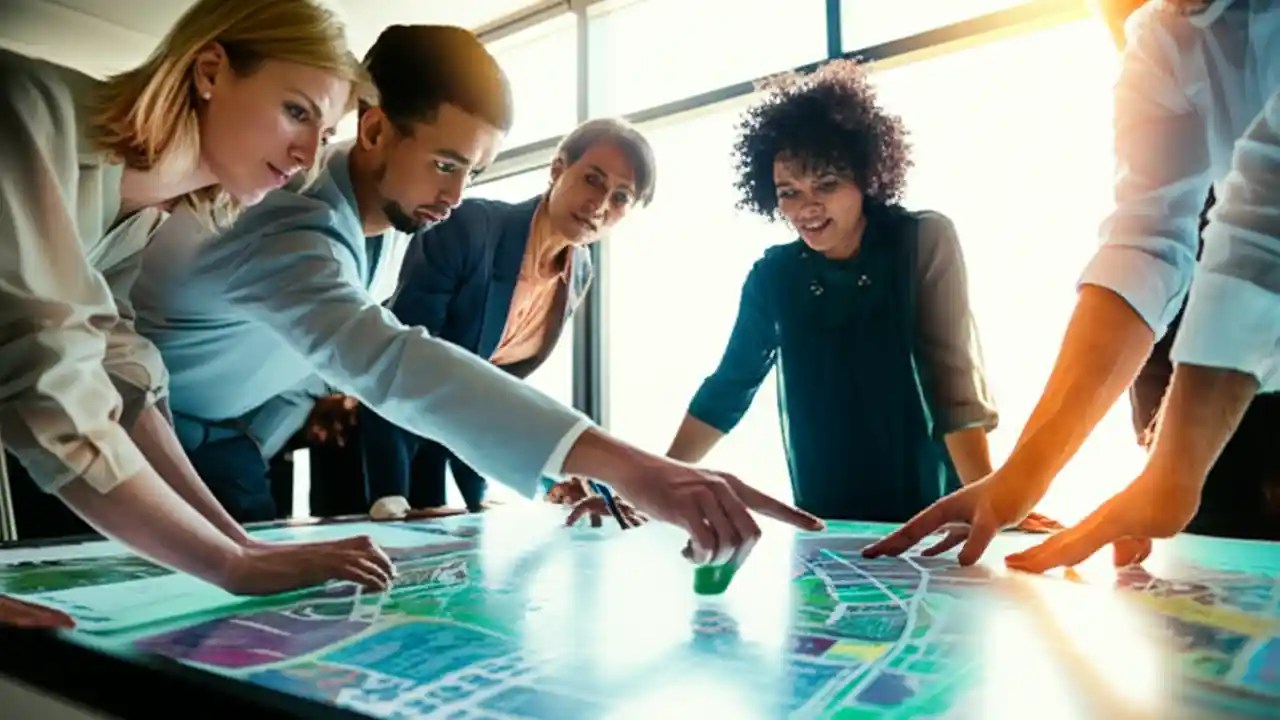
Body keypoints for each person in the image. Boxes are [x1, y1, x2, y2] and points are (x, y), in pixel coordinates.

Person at [133, 24, 824, 568]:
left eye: (473, 170)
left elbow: (343, 352)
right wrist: (636, 469)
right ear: (373, 129)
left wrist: (552, 471)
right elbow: (393, 360)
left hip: (239, 440)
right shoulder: (291, 212)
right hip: (133, 429)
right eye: (445, 162)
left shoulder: (396, 210)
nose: (457, 194)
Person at [864, 0, 1280, 569]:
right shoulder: (1162, 34)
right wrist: (1021, 475)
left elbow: (1266, 218)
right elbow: (1145, 247)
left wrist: (1175, 468)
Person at [0, 0, 397, 594]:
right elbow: (48, 380)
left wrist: (239, 541)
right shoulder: (25, 109)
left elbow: (122, 371)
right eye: (296, 112)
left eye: (324, 134)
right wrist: (230, 565)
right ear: (210, 70)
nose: (308, 158)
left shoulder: (141, 215)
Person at [660, 59, 1059, 530]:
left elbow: (952, 380)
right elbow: (729, 387)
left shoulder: (922, 241)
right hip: (826, 513)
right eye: (788, 191)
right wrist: (656, 484)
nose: (806, 207)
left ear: (866, 179)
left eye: (826, 185)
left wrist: (993, 503)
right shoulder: (774, 274)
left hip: (931, 507)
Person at [357, 117, 656, 520]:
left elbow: (495, 387)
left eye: (621, 197)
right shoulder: (469, 229)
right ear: (557, 169)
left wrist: (553, 479)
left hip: (457, 441)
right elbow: (402, 356)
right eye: (593, 179)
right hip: (383, 434)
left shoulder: (578, 272)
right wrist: (388, 497)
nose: (600, 205)